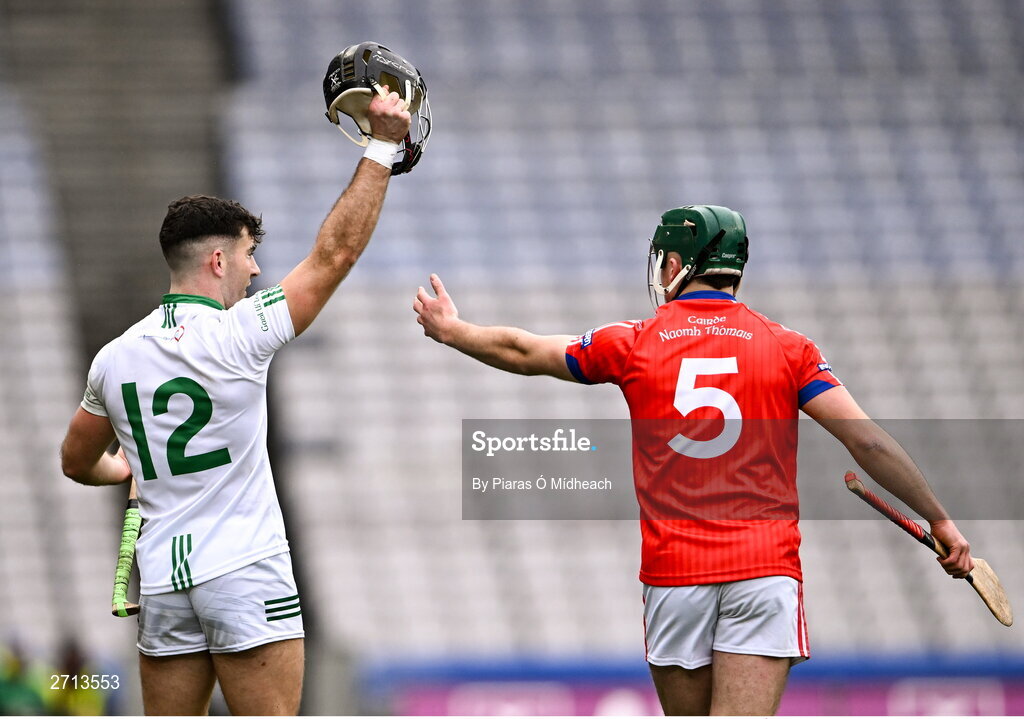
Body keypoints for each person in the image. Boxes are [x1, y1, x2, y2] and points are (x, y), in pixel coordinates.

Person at [413, 205, 975, 716]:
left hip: (675, 576)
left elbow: (523, 351)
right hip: (763, 571)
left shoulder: (633, 341)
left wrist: (453, 330)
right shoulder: (789, 348)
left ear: (676, 264)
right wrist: (940, 519)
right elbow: (869, 442)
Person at [59, 88, 411, 714]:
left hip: (164, 580)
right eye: (250, 255)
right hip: (244, 569)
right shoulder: (240, 332)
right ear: (218, 259)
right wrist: (382, 146)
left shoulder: (112, 359)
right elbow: (335, 255)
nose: (255, 271)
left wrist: (126, 468)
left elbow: (75, 461)